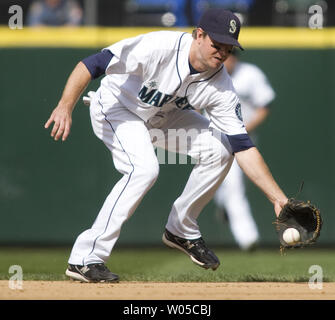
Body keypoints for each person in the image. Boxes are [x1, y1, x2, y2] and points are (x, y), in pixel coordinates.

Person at [44, 9, 288, 283]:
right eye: (216, 44)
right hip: (117, 108)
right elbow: (92, 64)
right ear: (199, 35)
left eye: (228, 47)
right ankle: (85, 258)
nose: (221, 52)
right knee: (144, 170)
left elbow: (243, 145)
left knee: (221, 148)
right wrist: (65, 105)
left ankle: (181, 229)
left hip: (162, 115)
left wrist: (278, 199)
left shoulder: (221, 85)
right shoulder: (159, 46)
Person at [212, 51, 275, 250]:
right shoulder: (209, 72)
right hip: (213, 139)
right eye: (225, 54)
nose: (228, 58)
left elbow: (264, 106)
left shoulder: (250, 74)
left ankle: (231, 216)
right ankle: (248, 237)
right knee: (227, 186)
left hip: (242, 139)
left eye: (231, 55)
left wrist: (242, 130)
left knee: (233, 186)